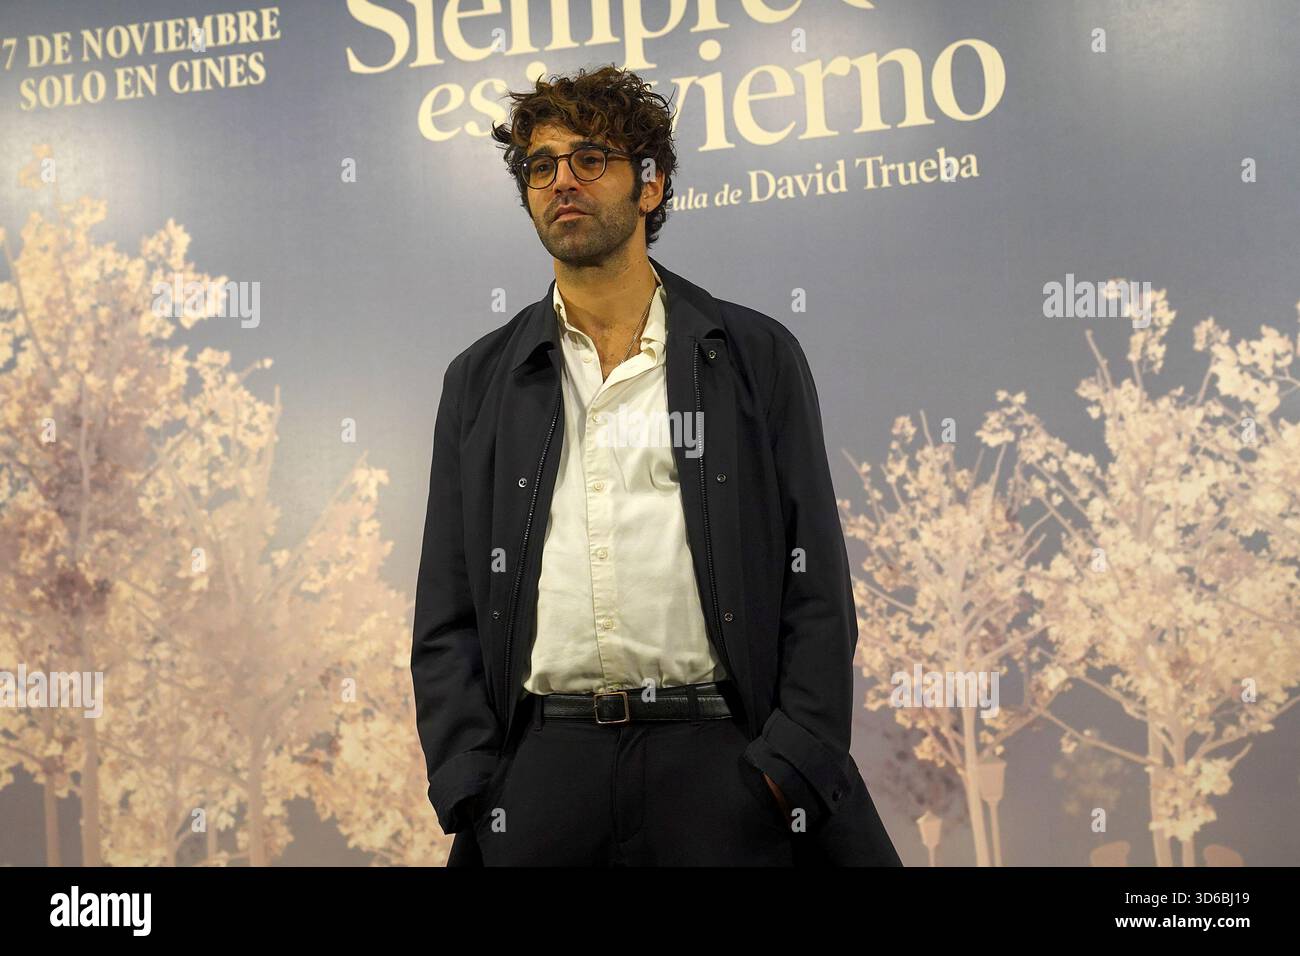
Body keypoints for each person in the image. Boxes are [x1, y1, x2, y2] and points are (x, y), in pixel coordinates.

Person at [412, 64, 900, 866]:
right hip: (542, 773)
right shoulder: (480, 380)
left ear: (650, 185)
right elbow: (447, 605)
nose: (562, 180)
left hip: (721, 768)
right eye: (541, 165)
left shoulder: (754, 356)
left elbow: (815, 587)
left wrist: (789, 764)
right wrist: (473, 776)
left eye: (591, 157)